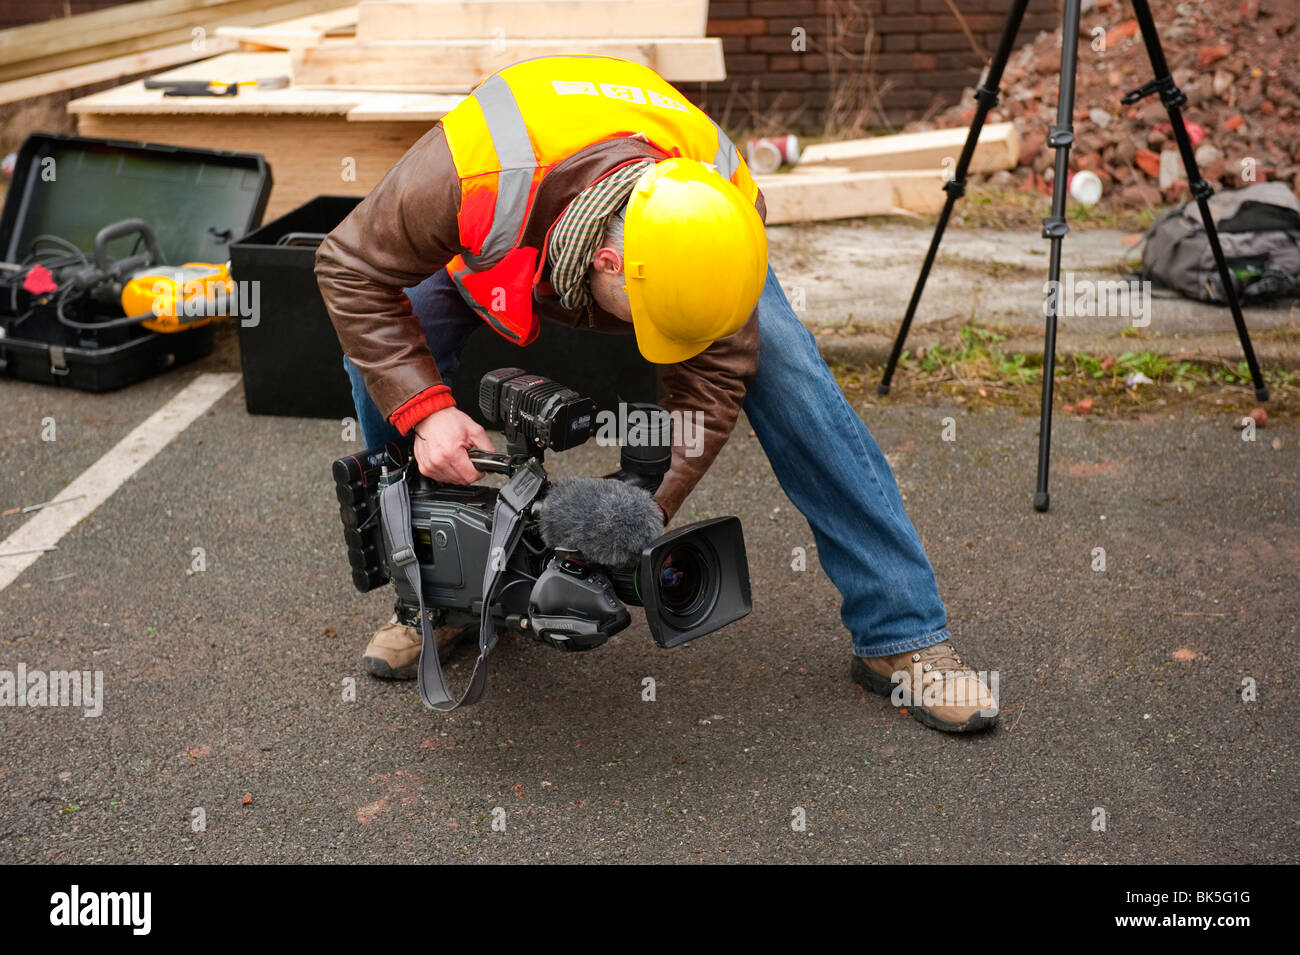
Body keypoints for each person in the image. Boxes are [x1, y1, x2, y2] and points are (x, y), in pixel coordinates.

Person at [315, 55, 998, 732]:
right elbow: (347, 266)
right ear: (608, 264)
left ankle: (901, 632)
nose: (656, 346)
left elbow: (715, 377)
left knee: (792, 374)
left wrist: (640, 509)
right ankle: (435, 591)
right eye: (653, 325)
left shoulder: (724, 214)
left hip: (673, 246)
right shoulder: (472, 170)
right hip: (493, 247)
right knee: (383, 363)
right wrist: (428, 409)